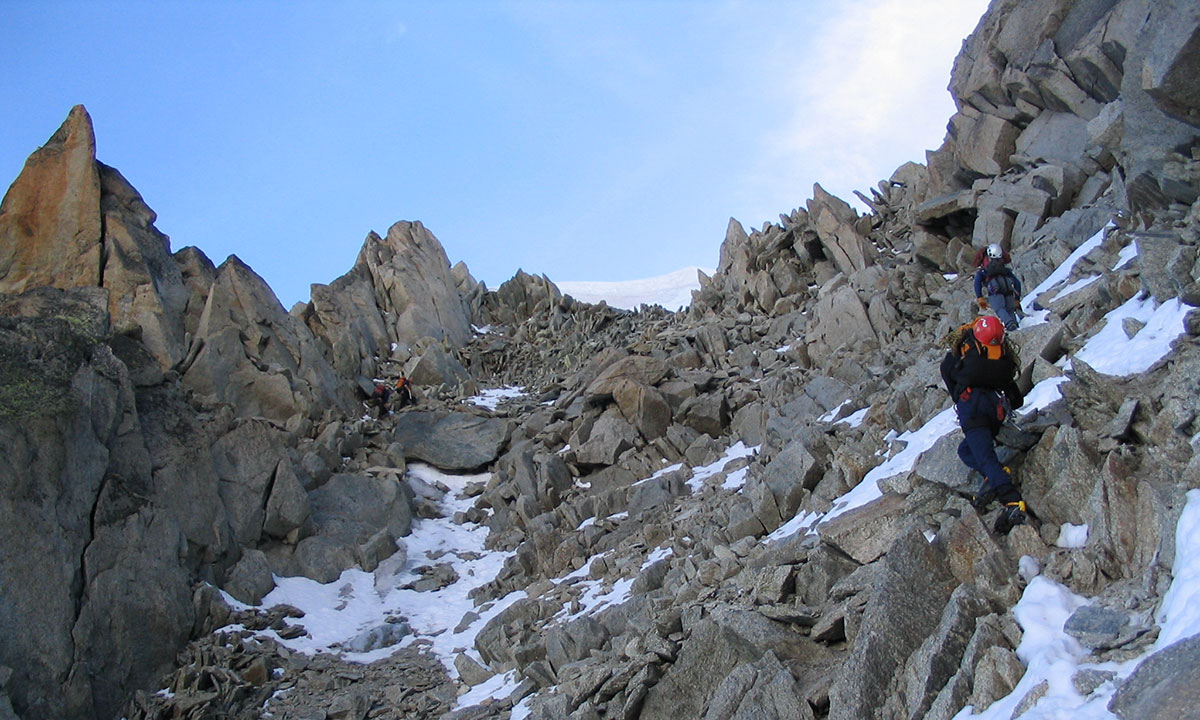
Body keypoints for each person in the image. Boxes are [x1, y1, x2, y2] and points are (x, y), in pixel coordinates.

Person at [940, 315, 1028, 532]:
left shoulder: (966, 353)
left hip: (972, 410)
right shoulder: (1001, 359)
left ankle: (1012, 500)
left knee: (984, 456)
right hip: (994, 409)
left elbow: (945, 368)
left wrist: (957, 394)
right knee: (966, 451)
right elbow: (1016, 398)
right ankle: (997, 473)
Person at [974, 243, 1023, 331]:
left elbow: (977, 282)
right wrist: (1017, 299)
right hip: (1007, 286)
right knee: (1010, 309)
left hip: (994, 289)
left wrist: (979, 297)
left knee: (999, 308)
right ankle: (1015, 326)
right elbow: (1017, 283)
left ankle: (1010, 325)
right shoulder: (1004, 269)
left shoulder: (984, 270)